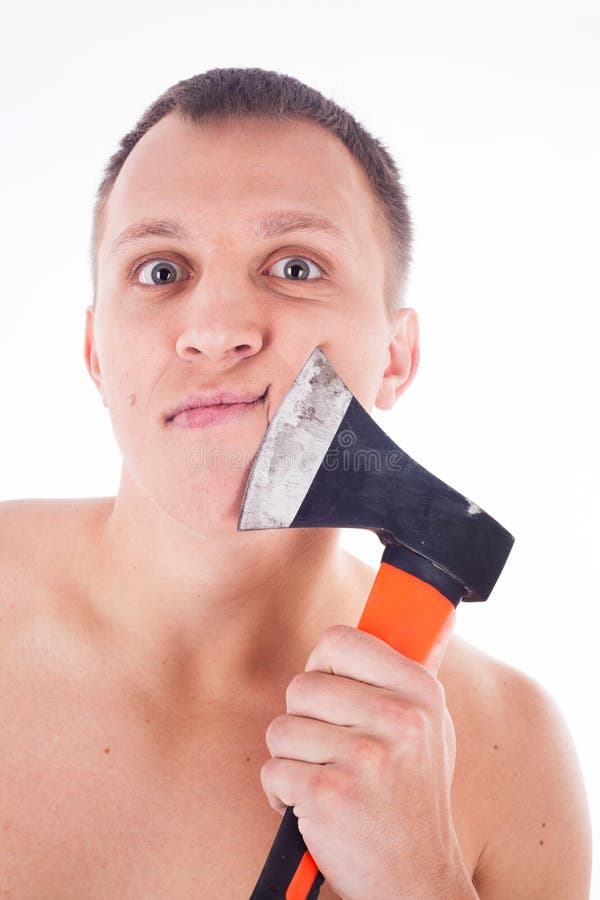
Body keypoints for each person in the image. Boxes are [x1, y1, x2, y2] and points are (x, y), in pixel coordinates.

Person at [0, 67, 591, 899]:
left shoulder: (510, 753)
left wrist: (422, 879)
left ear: (396, 356)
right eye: (161, 271)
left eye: (295, 266)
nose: (215, 331)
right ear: (96, 354)